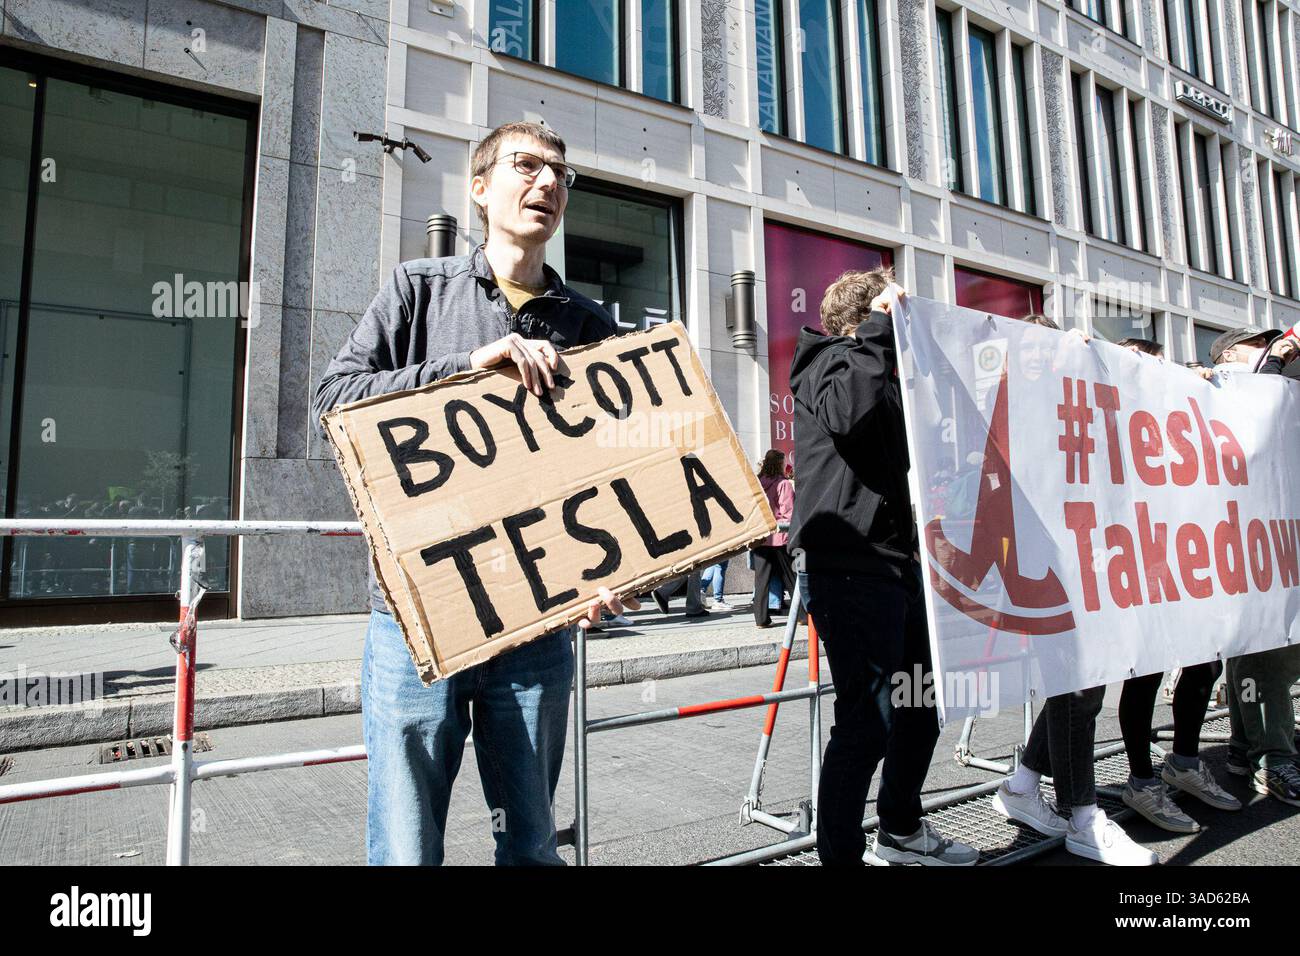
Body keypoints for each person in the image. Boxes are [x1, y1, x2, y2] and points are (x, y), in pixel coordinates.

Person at [313, 121, 632, 865]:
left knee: (530, 845)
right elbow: (333, 400)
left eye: (561, 172)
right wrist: (461, 370)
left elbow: (617, 473)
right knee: (405, 843)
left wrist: (616, 571)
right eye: (526, 165)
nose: (548, 182)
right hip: (417, 620)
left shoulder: (593, 327)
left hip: (539, 628)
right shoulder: (415, 291)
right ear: (481, 189)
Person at [789, 267, 977, 866]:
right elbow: (847, 411)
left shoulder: (883, 375)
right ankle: (840, 855)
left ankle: (899, 826)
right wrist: (879, 326)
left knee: (921, 702)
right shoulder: (823, 360)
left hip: (898, 567)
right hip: (849, 567)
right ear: (865, 318)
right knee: (866, 721)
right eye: (896, 310)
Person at [991, 315, 1159, 865]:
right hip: (1042, 566)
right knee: (1077, 687)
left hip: (1083, 560)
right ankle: (1082, 816)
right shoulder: (1013, 402)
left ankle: (1021, 786)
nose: (1042, 357)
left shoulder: (1067, 398)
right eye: (1032, 351)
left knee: (1079, 688)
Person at [1110, 336, 1242, 830]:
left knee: (1205, 662)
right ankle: (1142, 780)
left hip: (1185, 552)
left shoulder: (1172, 405)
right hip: (1138, 554)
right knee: (1143, 671)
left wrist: (1206, 390)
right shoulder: (1110, 406)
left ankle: (1184, 763)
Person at [1211, 326, 1300, 807]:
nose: (1266, 350)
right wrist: (1279, 354)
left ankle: (1248, 749)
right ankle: (1271, 757)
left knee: (1277, 653)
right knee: (1265, 655)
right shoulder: (1219, 385)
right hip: (1243, 542)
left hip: (1280, 536)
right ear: (1229, 356)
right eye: (1255, 345)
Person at [752, 449, 796, 628]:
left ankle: (761, 619)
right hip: (779, 537)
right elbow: (789, 512)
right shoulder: (783, 484)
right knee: (791, 577)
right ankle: (801, 615)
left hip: (761, 537)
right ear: (779, 463)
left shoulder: (757, 483)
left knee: (761, 580)